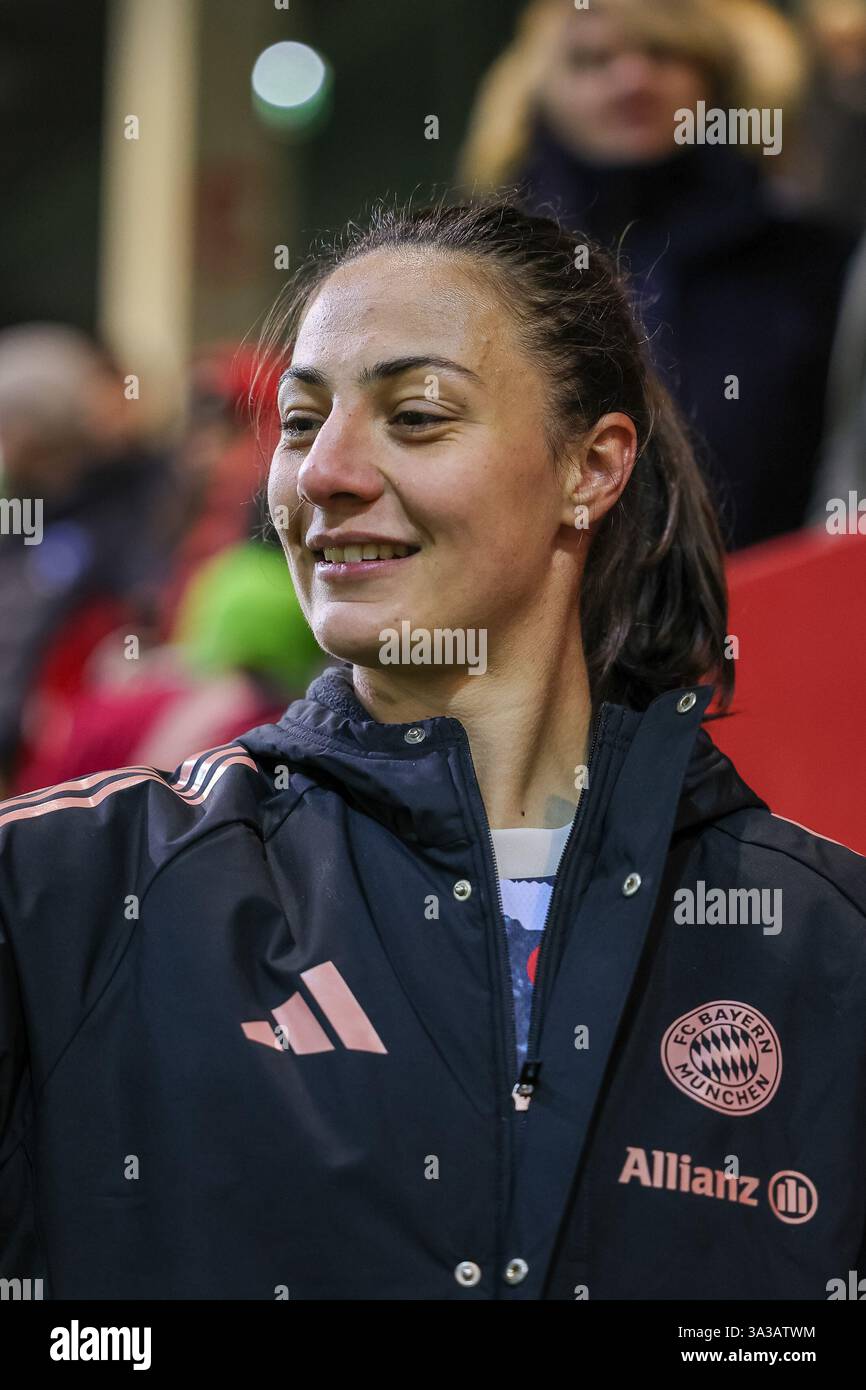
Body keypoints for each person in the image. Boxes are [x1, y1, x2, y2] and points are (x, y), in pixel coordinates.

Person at [1, 198, 864, 1300]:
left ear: (590, 470)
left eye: (413, 415)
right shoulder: (64, 893)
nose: (322, 474)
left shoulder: (828, 946)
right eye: (303, 421)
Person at [458, 0, 855, 550]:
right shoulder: (483, 274)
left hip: (776, 606)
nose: (632, 78)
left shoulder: (816, 267)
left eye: (663, 53)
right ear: (537, 98)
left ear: (719, 76)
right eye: (591, 60)